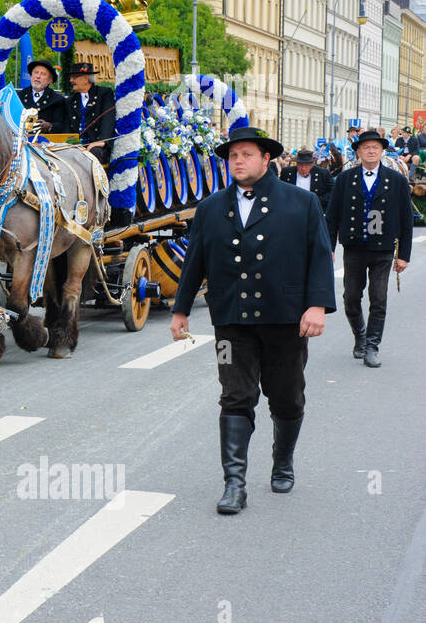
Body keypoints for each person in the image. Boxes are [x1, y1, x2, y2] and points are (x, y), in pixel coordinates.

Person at [170, 126, 336, 514]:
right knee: (235, 396)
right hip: (231, 321)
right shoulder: (211, 207)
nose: (239, 161)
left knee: (286, 396)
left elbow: (320, 256)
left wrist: (316, 307)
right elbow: (195, 260)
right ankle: (234, 484)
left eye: (246, 154)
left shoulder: (300, 202)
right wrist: (180, 310)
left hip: (285, 319)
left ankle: (282, 461)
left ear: (266, 159)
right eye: (233, 156)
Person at [325, 129, 413, 368]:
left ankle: (372, 346)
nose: (371, 151)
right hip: (354, 247)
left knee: (379, 298)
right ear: (359, 152)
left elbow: (407, 220)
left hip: (383, 249)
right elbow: (332, 217)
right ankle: (360, 335)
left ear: (382, 151)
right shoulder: (345, 179)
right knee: (351, 297)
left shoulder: (396, 181)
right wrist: (328, 248)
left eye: (376, 147)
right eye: (366, 147)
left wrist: (404, 255)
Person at [64, 62, 116, 164]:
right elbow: (67, 126)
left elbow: (108, 118)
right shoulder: (70, 101)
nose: (71, 80)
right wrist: (67, 143)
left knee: (94, 152)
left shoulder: (104, 93)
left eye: (74, 77)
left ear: (86, 78)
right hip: (75, 146)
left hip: (97, 146)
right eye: (71, 77)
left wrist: (102, 141)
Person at [17, 60, 69, 132]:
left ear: (50, 80)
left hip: (46, 141)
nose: (38, 76)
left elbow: (62, 125)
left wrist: (49, 126)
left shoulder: (57, 99)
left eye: (43, 74)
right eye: (36, 72)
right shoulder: (19, 96)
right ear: (31, 75)